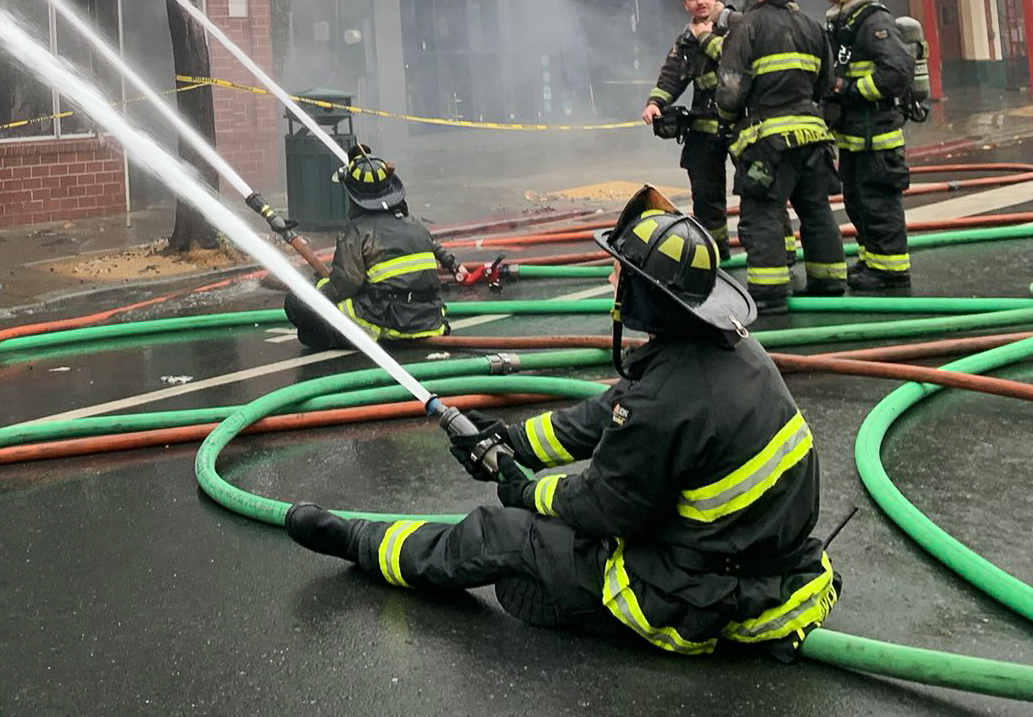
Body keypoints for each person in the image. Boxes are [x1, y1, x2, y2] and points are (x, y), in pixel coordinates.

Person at [283, 187, 838, 657]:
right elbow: (604, 415)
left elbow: (603, 508)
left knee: (497, 534)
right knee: (542, 527)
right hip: (765, 563)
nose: (615, 282)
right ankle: (556, 582)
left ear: (645, 296)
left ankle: (361, 543)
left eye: (622, 274)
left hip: (692, 593)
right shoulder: (723, 353)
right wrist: (510, 441)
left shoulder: (662, 402)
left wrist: (521, 492)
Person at [715, 0, 844, 313]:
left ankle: (769, 294)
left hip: (768, 142)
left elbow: (731, 88)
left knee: (763, 212)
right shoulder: (812, 26)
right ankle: (830, 280)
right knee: (816, 208)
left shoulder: (746, 29)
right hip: (814, 136)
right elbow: (826, 83)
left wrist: (725, 118)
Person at [815, 0, 915, 292]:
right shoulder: (844, 21)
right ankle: (873, 263)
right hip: (855, 136)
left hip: (877, 135)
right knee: (858, 202)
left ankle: (891, 272)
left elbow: (897, 73)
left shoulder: (875, 22)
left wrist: (850, 90)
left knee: (878, 203)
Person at [284, 147, 455, 347]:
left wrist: (318, 289)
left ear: (353, 197)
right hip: (429, 319)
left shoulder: (356, 232)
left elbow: (344, 286)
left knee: (297, 304)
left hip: (387, 321)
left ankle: (339, 338)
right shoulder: (415, 224)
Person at [641, 0, 736, 260]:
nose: (700, 2)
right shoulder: (687, 38)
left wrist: (705, 38)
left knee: (759, 193)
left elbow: (733, 60)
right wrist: (655, 103)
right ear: (686, 6)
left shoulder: (736, 25)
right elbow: (672, 74)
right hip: (706, 125)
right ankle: (716, 257)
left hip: (742, 123)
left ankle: (776, 258)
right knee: (706, 197)